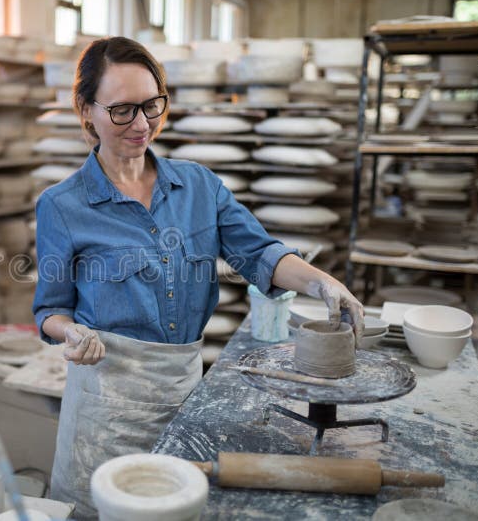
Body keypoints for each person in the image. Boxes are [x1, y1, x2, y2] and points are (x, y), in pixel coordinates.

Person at [32, 36, 364, 518]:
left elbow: (260, 253)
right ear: (87, 110)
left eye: (152, 105)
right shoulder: (63, 206)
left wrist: (321, 283)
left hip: (186, 391)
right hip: (106, 405)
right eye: (122, 110)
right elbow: (49, 311)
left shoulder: (198, 186)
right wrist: (72, 331)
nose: (142, 124)